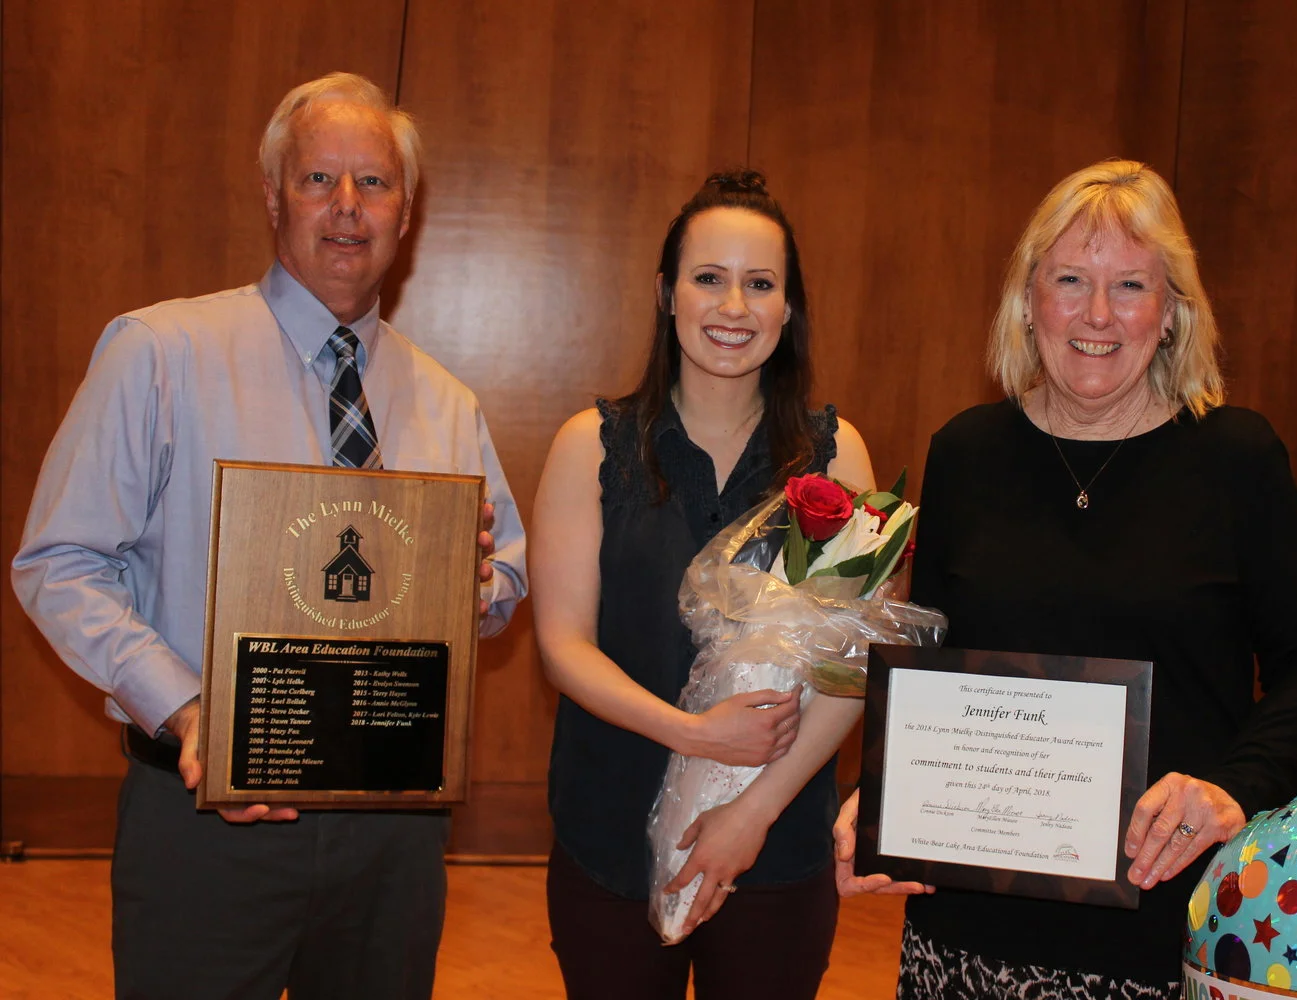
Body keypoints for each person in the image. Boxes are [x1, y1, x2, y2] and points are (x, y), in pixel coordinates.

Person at [10, 72, 527, 1000]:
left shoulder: (449, 401)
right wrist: (189, 710)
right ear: (271, 196)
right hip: (205, 822)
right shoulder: (159, 354)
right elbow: (60, 562)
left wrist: (475, 582)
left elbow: (506, 585)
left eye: (373, 184)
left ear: (405, 213)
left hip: (394, 830)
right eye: (317, 179)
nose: (345, 208)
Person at [833, 159, 1297, 998]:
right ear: (1028, 298)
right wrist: (883, 791)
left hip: (1159, 927)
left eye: (1131, 285)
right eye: (1070, 279)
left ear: (1172, 312)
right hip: (968, 928)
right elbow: (934, 660)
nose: (1097, 314)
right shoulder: (967, 453)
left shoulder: (1236, 459)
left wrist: (1232, 787)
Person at [532, 170, 875, 1000]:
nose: (733, 308)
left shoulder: (838, 457)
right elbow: (562, 644)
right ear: (666, 293)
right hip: (609, 836)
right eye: (708, 278)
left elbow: (852, 667)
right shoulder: (591, 446)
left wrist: (748, 816)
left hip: (776, 843)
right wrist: (694, 733)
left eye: (760, 284)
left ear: (788, 308)